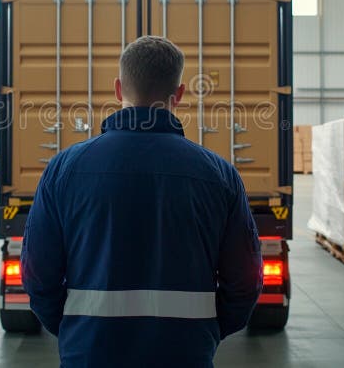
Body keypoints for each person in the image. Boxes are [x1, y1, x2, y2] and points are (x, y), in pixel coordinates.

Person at [21, 36, 263, 368]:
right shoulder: (219, 174)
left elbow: (37, 275)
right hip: (186, 354)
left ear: (119, 89)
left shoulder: (64, 169)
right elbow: (245, 281)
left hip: (90, 352)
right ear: (178, 95)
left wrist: (71, 329)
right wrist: (207, 331)